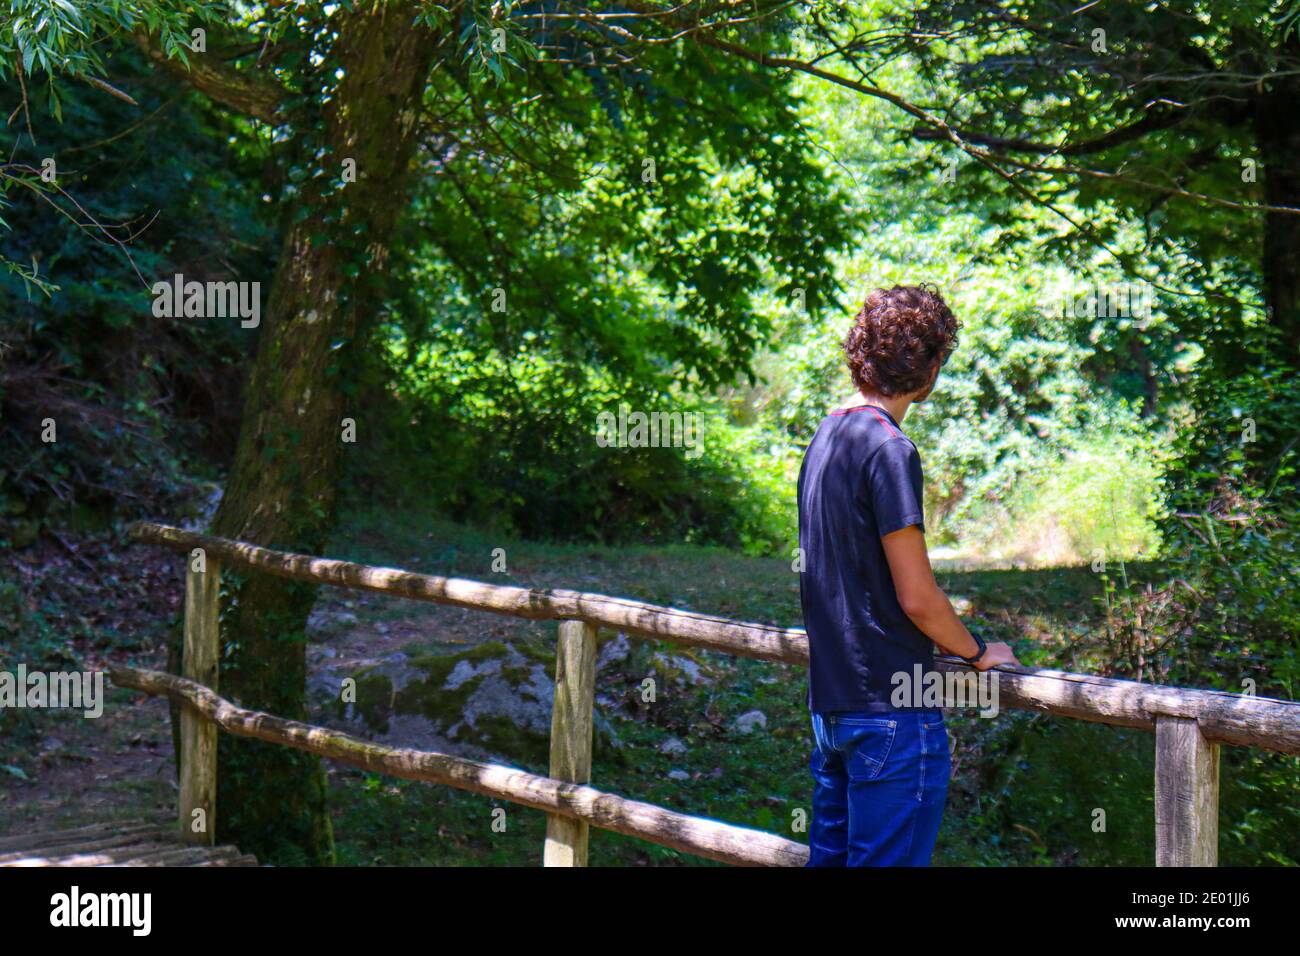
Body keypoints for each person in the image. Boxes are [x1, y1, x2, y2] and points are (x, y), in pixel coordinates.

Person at [797, 283, 1021, 867]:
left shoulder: (825, 437)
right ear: (930, 370)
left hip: (833, 709)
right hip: (893, 711)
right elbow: (918, 596)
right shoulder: (891, 449)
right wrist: (977, 652)